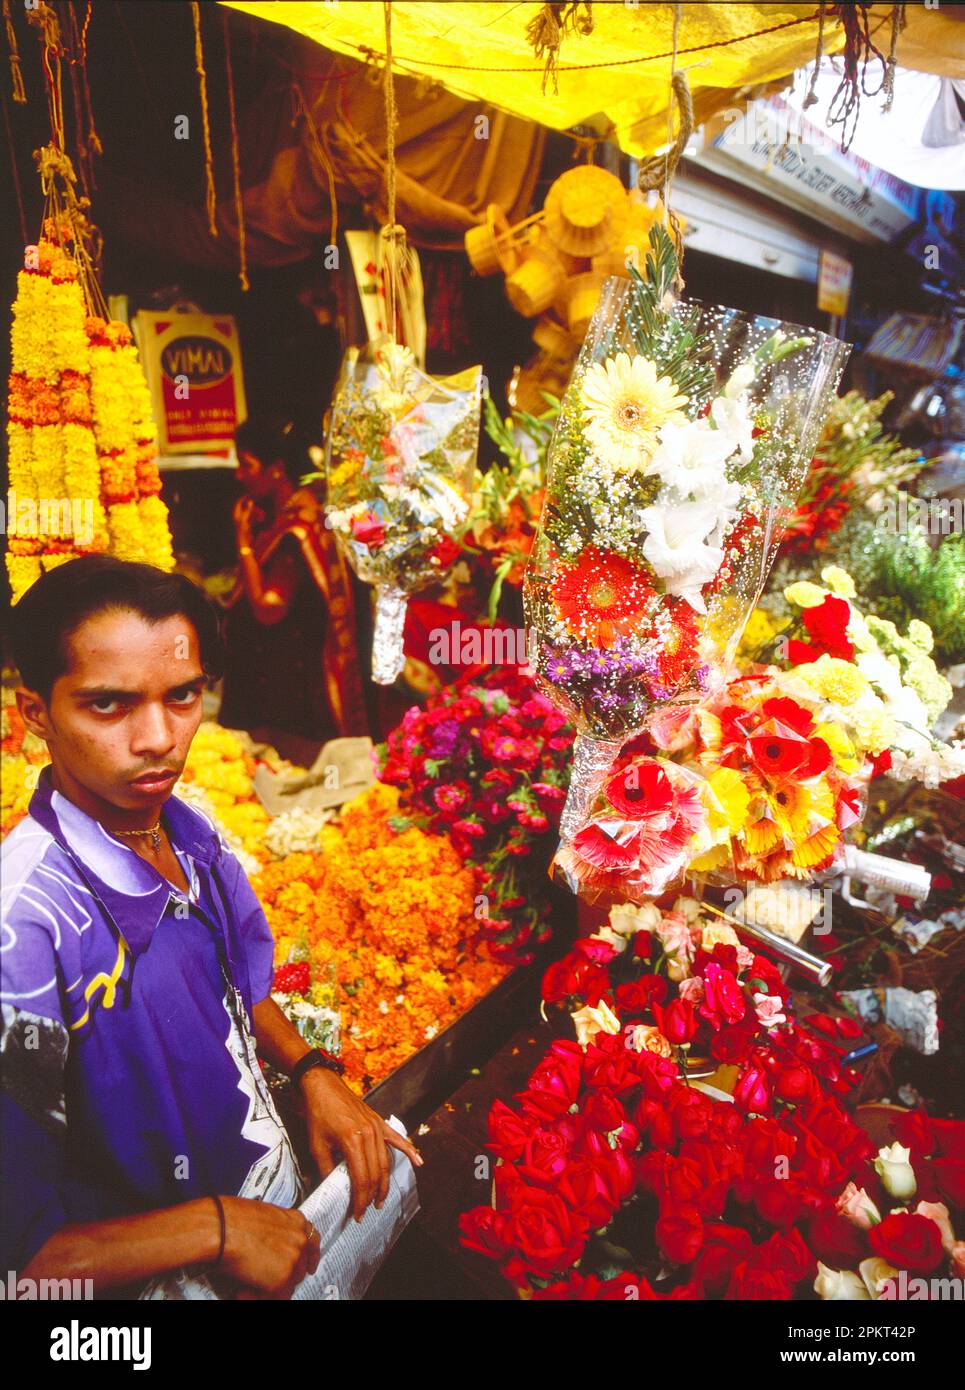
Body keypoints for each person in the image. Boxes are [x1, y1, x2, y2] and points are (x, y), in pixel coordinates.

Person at [1, 556, 421, 1299]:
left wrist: (313, 1070)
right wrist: (216, 1228)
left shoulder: (186, 829)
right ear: (34, 713)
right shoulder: (25, 933)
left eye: (184, 695)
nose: (159, 738)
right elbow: (22, 1269)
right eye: (109, 706)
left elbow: (233, 980)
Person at [219, 416, 370, 751]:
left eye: (247, 464)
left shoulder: (296, 531)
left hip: (293, 696)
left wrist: (243, 542)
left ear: (277, 469)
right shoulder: (296, 514)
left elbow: (268, 608)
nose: (239, 475)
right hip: (283, 686)